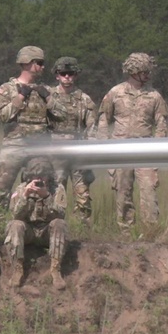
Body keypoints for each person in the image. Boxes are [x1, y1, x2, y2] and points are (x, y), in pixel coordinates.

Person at [95, 53, 168, 230]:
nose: (148, 75)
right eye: (144, 71)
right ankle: (125, 233)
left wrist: (157, 154)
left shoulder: (154, 96)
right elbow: (104, 121)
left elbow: (161, 126)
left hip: (146, 151)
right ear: (134, 71)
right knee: (122, 194)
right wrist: (106, 152)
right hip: (121, 151)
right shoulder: (115, 93)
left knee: (149, 194)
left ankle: (150, 233)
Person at [0, 45, 52, 205]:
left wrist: (49, 99)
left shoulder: (45, 90)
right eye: (38, 62)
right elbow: (2, 116)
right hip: (14, 146)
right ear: (26, 63)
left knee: (40, 191)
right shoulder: (7, 89)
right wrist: (19, 98)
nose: (42, 66)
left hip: (39, 148)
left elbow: (61, 115)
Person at [4, 158, 68, 290]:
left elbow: (61, 214)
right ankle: (17, 269)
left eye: (42, 176)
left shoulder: (57, 189)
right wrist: (25, 196)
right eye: (35, 176)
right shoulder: (22, 189)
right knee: (15, 224)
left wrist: (46, 197)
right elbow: (15, 215)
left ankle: (55, 270)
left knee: (59, 223)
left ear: (49, 176)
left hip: (47, 231)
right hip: (29, 231)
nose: (39, 179)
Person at [47, 57, 97, 223]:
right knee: (56, 194)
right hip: (55, 153)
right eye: (63, 73)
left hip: (78, 152)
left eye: (71, 73)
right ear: (57, 75)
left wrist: (90, 151)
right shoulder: (48, 97)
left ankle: (81, 230)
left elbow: (91, 128)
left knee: (82, 195)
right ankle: (56, 228)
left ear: (76, 75)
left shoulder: (84, 99)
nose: (67, 77)